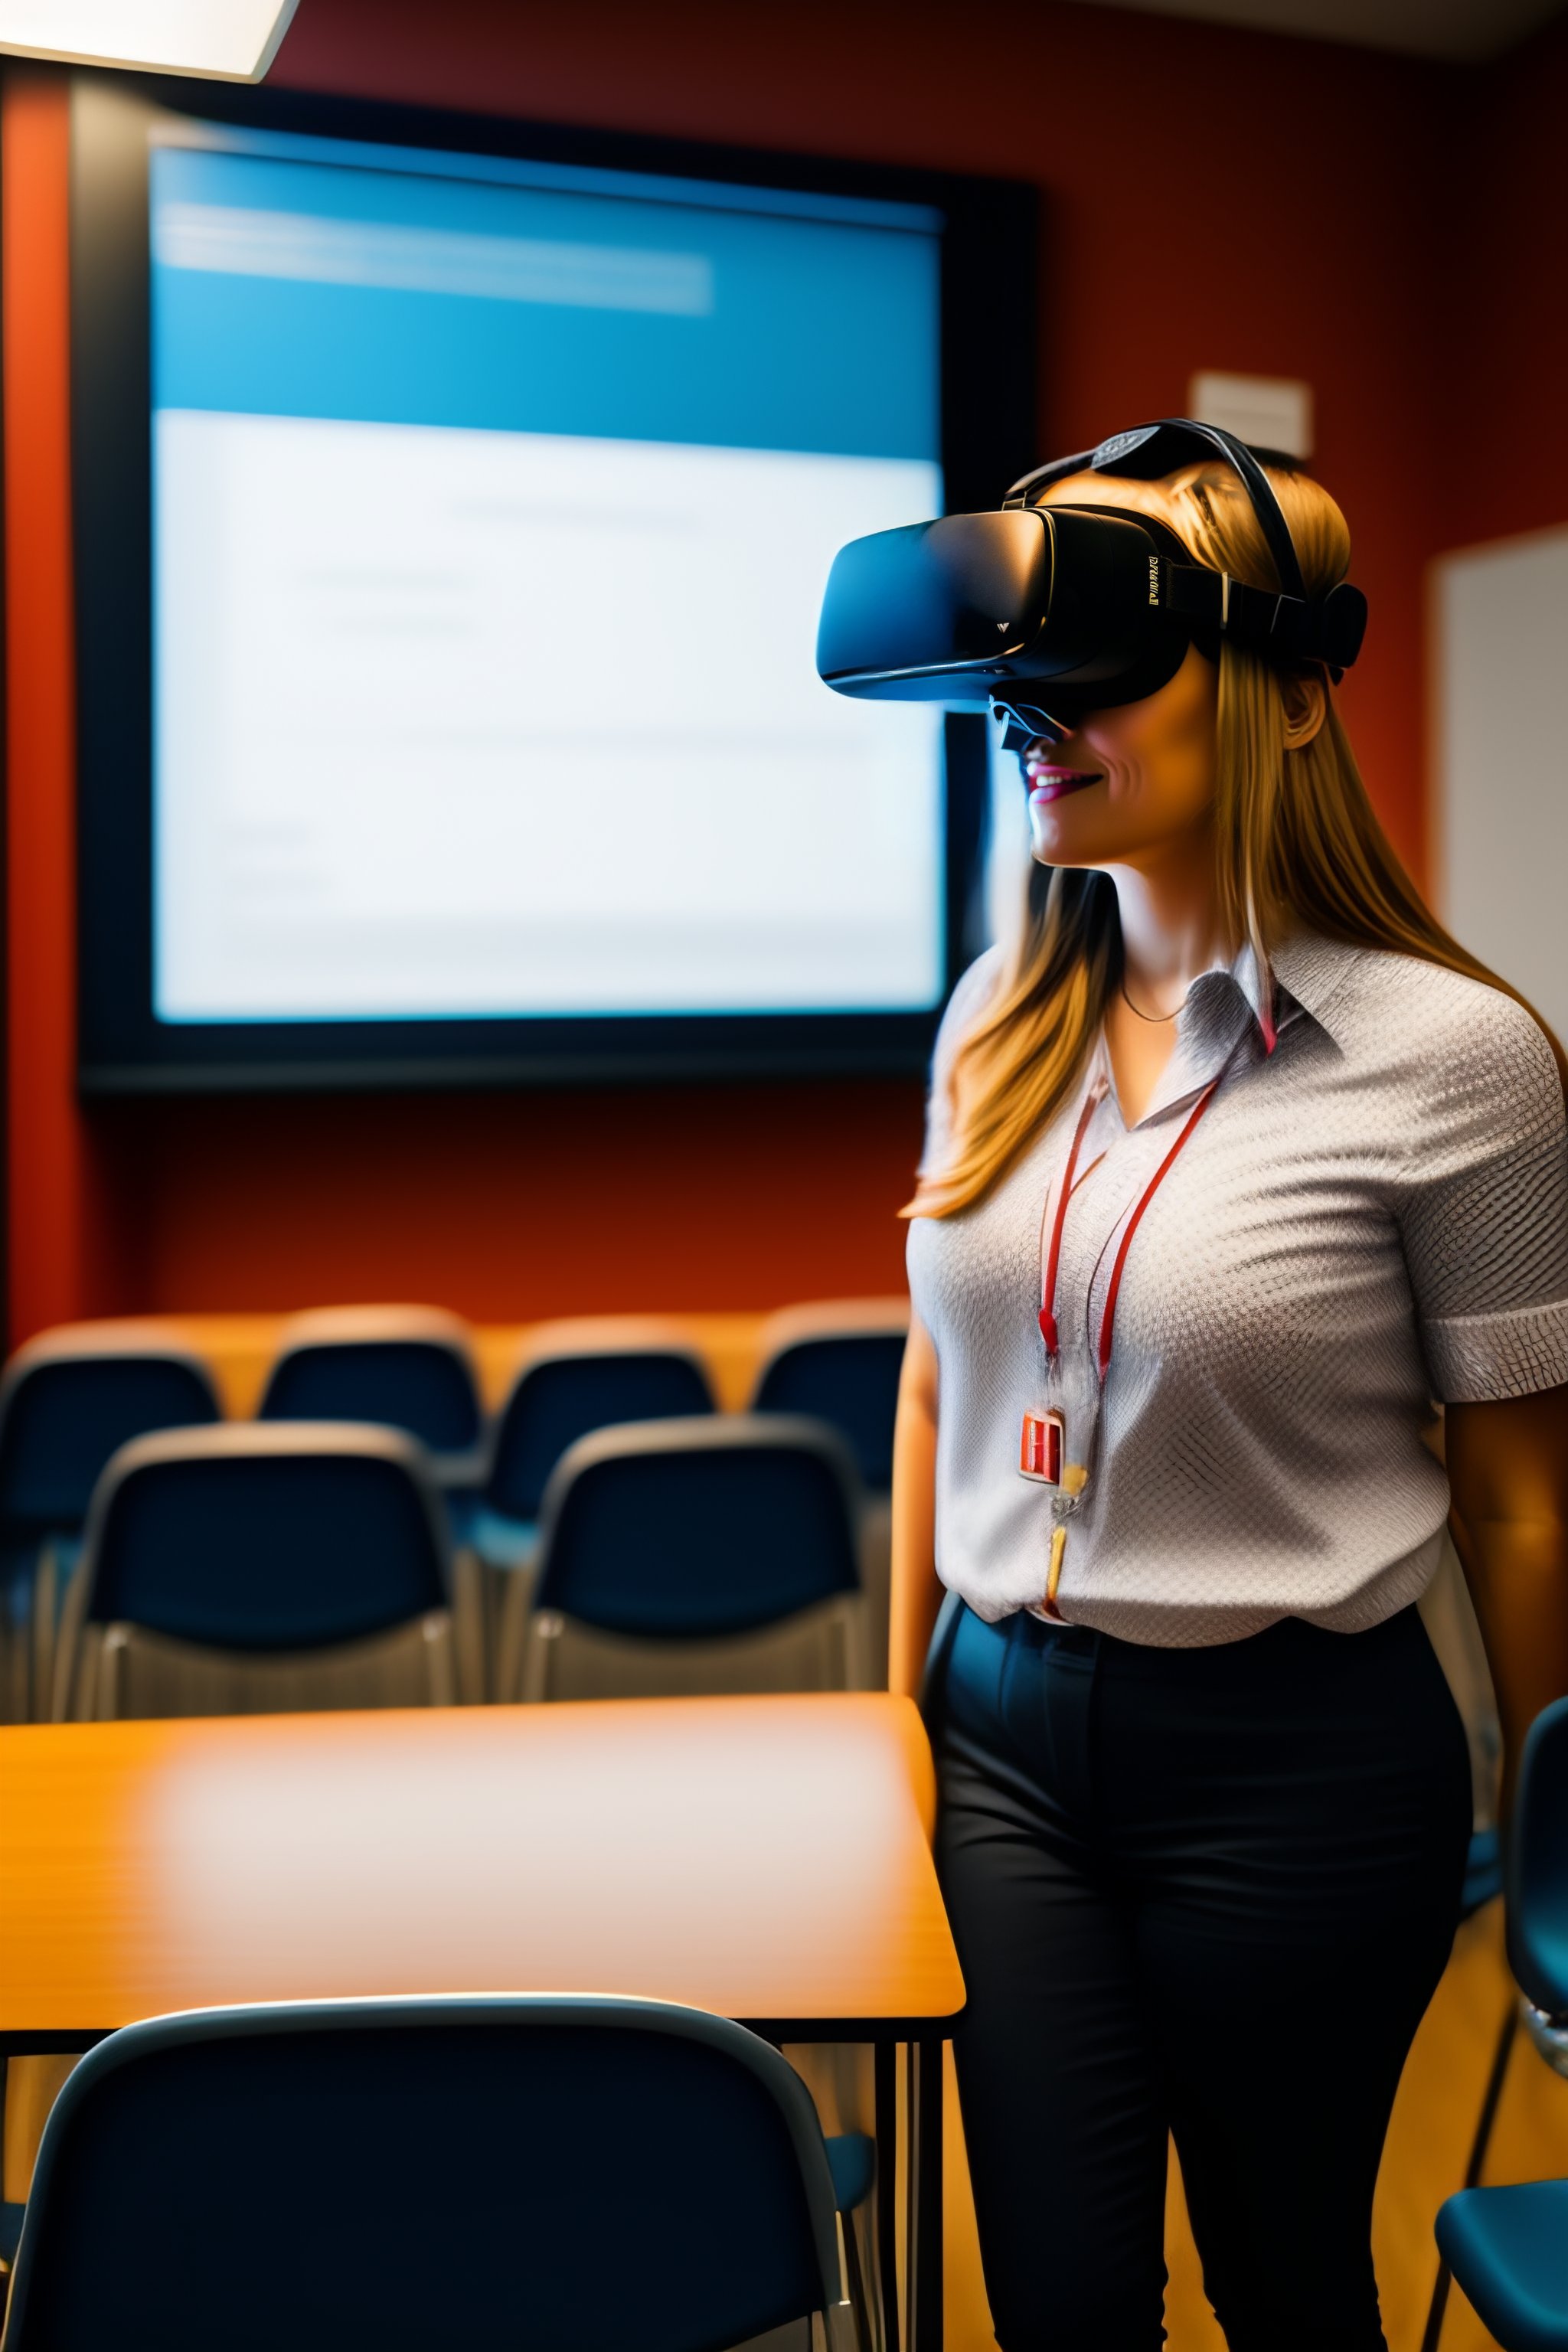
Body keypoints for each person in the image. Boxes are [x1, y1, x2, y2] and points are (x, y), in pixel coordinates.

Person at [889, 446, 1568, 2351]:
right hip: (1003, 1744)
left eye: (1097, 645)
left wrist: (1542, 1834)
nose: (1035, 707)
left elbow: (1524, 1503)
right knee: (1062, 2299)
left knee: (1287, 2287)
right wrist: (890, 1729)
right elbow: (935, 1389)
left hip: (1298, 1768)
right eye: (1022, 658)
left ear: (1279, 680)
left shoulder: (1463, 1063)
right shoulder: (989, 1017)